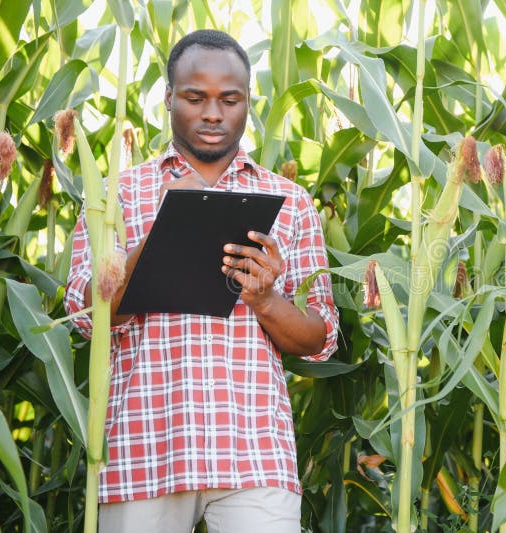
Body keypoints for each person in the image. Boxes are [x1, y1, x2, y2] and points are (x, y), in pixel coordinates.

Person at [65, 29, 338, 533]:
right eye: (195, 97)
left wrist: (265, 299)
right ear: (168, 97)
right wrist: (161, 233)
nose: (213, 113)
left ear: (247, 103)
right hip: (144, 449)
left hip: (255, 454)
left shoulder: (291, 201)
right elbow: (86, 316)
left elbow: (318, 341)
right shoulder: (115, 196)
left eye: (229, 99)